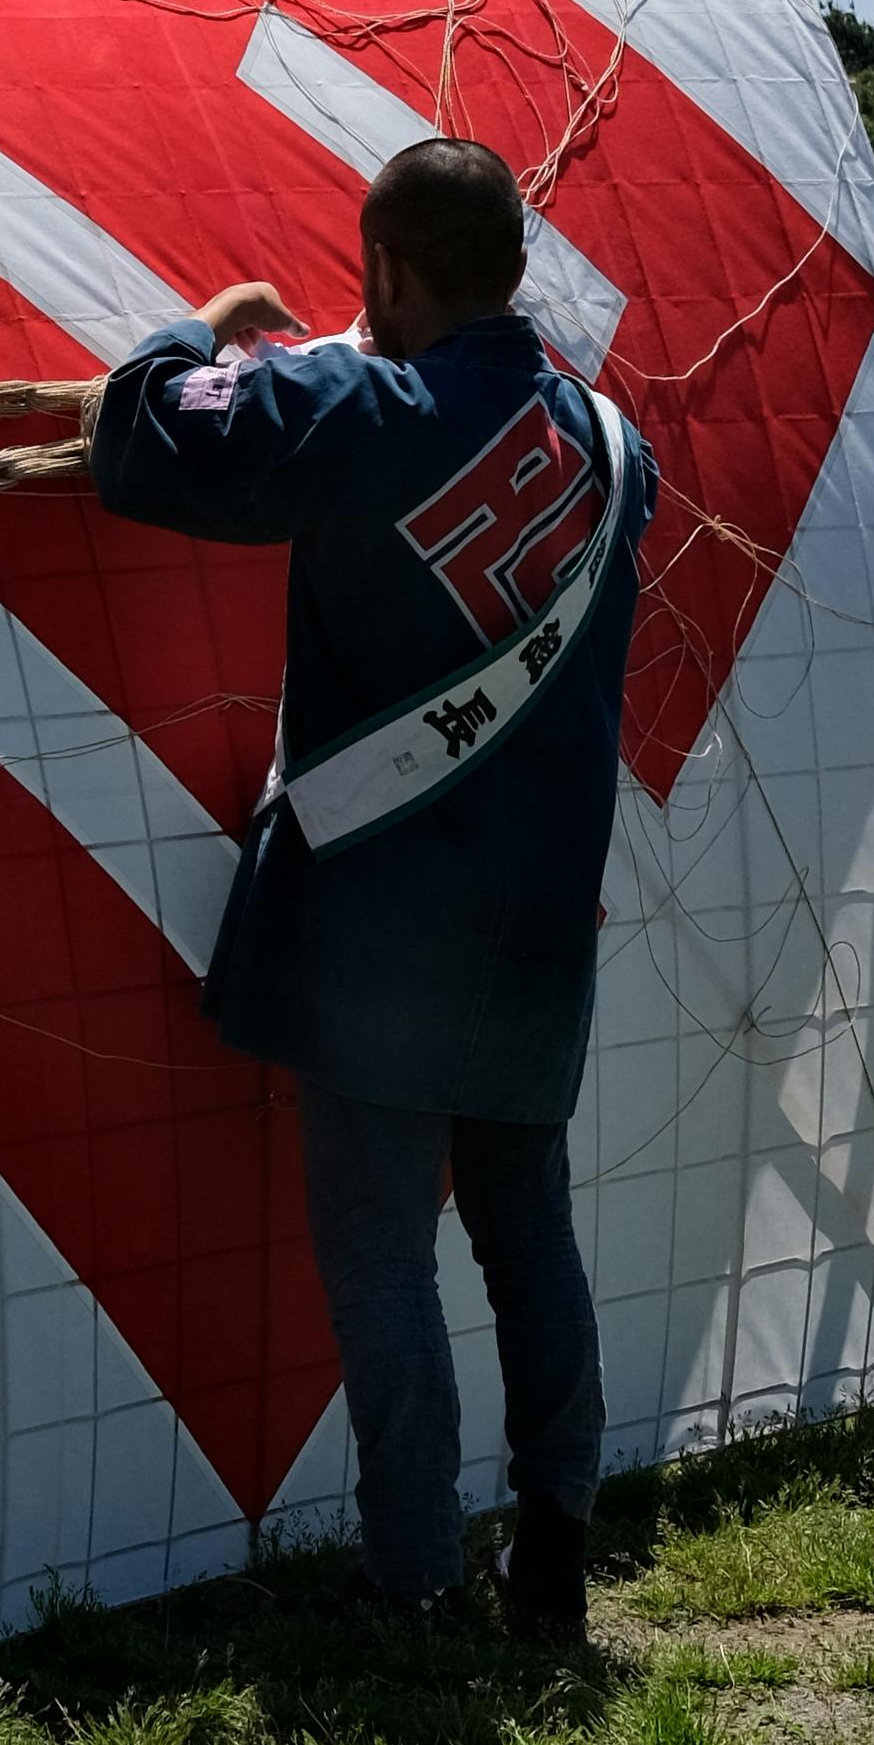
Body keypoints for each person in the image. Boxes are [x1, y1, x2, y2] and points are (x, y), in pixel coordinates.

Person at [89, 133, 652, 1649]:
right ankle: (560, 1536)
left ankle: (412, 1563)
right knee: (530, 1231)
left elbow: (142, 434)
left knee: (382, 1253)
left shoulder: (356, 406)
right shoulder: (611, 438)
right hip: (540, 921)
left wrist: (205, 324)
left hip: (385, 924)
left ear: (385, 270)